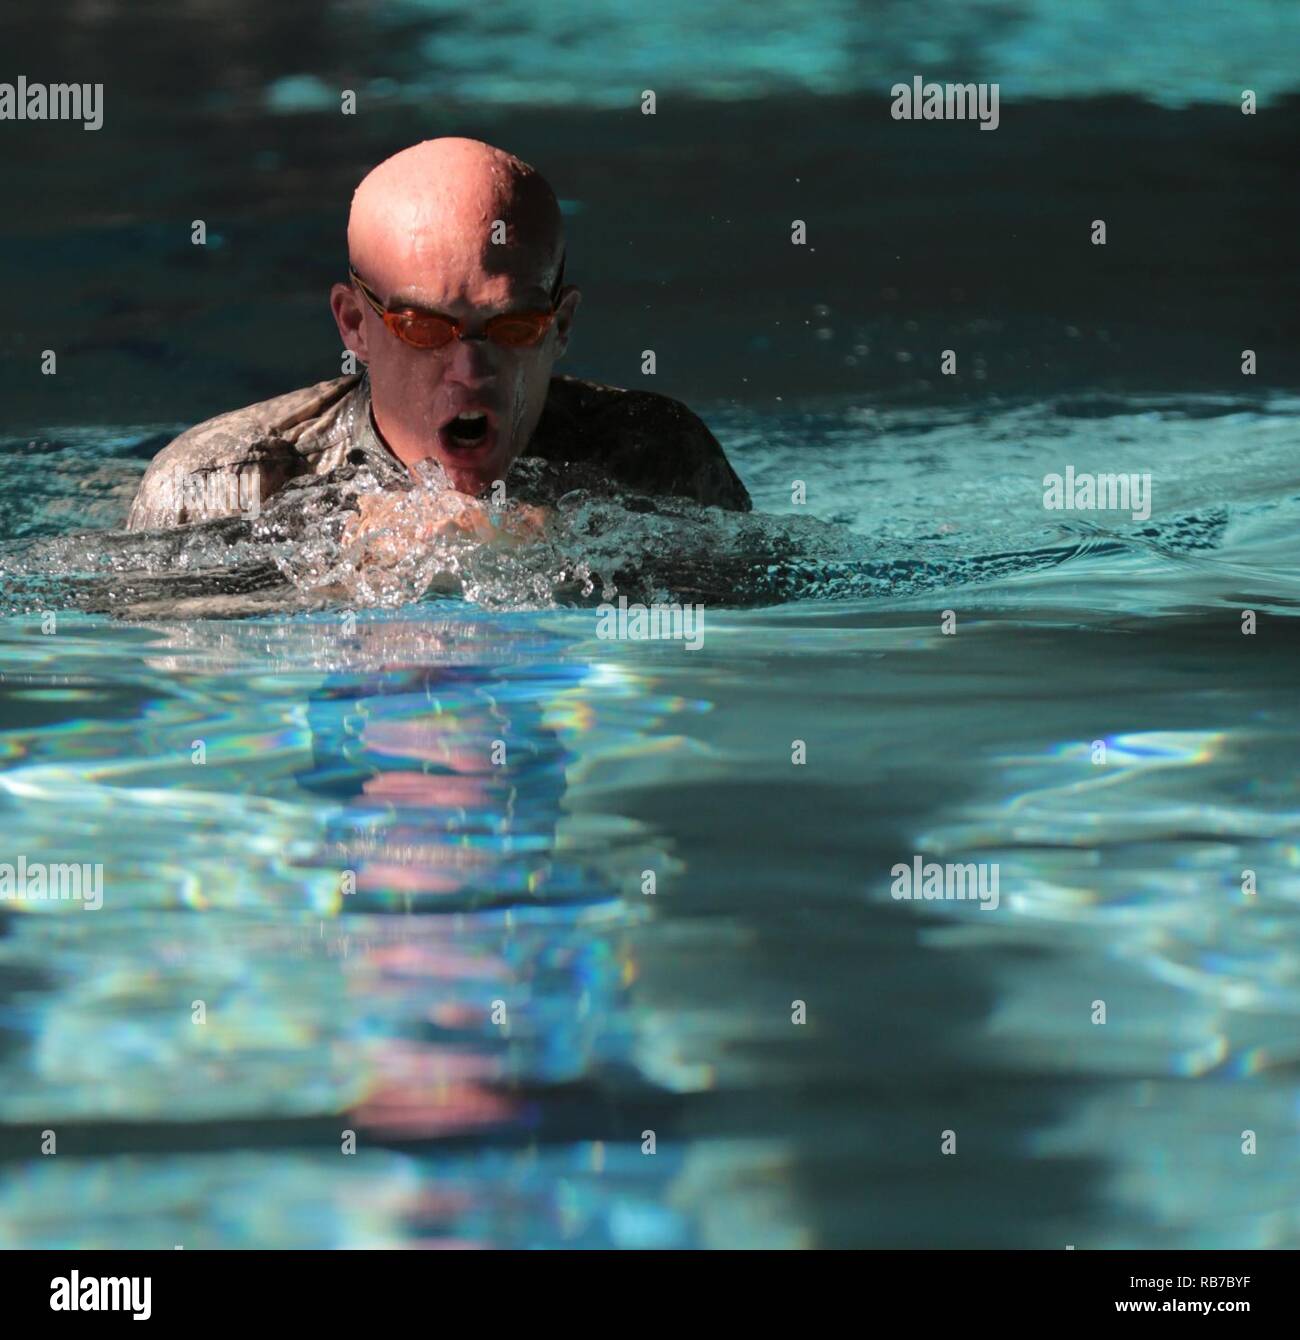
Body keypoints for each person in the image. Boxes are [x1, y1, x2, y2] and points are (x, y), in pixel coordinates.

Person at [124, 137, 751, 534]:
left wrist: (559, 557)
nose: (471, 371)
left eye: (513, 326)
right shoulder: (221, 483)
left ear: (559, 328)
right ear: (354, 325)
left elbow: (766, 619)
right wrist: (339, 575)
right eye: (424, 327)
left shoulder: (657, 458)